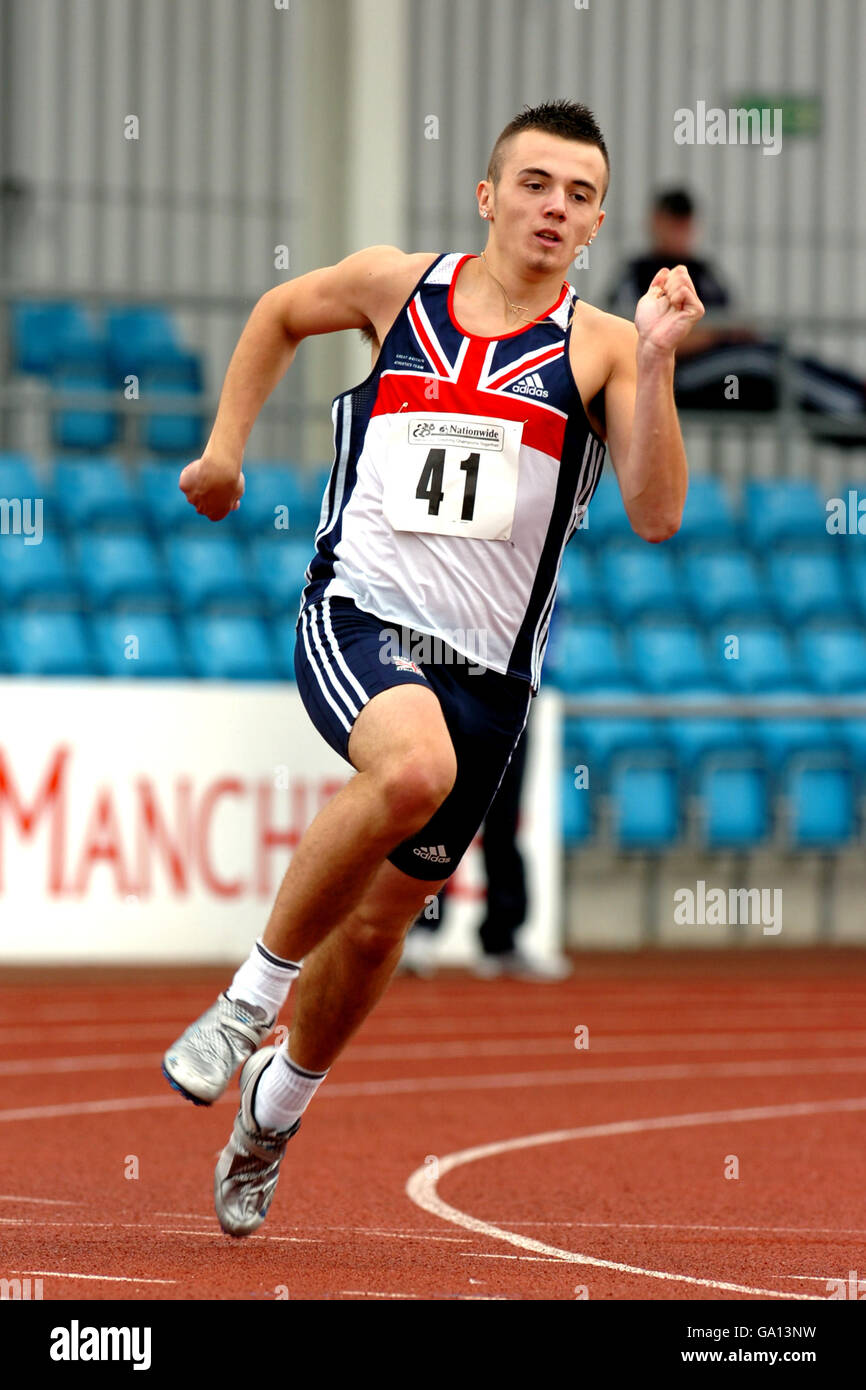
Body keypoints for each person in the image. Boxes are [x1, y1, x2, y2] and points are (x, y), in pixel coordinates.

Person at [162, 99, 704, 1238]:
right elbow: (274, 311)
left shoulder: (600, 345)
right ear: (487, 194)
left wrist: (654, 365)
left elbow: (655, 512)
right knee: (407, 769)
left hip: (489, 679)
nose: (554, 207)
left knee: (380, 926)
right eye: (535, 184)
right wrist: (224, 450)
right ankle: (242, 1003)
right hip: (359, 617)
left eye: (578, 194)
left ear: (598, 218)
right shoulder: (395, 287)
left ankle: (274, 1111)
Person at [608, 188, 866, 425]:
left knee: (778, 353)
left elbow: (730, 320)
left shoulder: (702, 271)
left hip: (722, 360)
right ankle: (852, 411)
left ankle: (856, 393)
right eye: (673, 222)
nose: (680, 230)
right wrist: (713, 334)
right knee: (761, 361)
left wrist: (731, 331)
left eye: (685, 223)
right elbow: (631, 341)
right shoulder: (637, 275)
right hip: (676, 375)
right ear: (655, 222)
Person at [400, 717, 571, 981]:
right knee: (441, 819)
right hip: (457, 699)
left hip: (511, 699)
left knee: (504, 825)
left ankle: (502, 940)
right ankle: (421, 930)